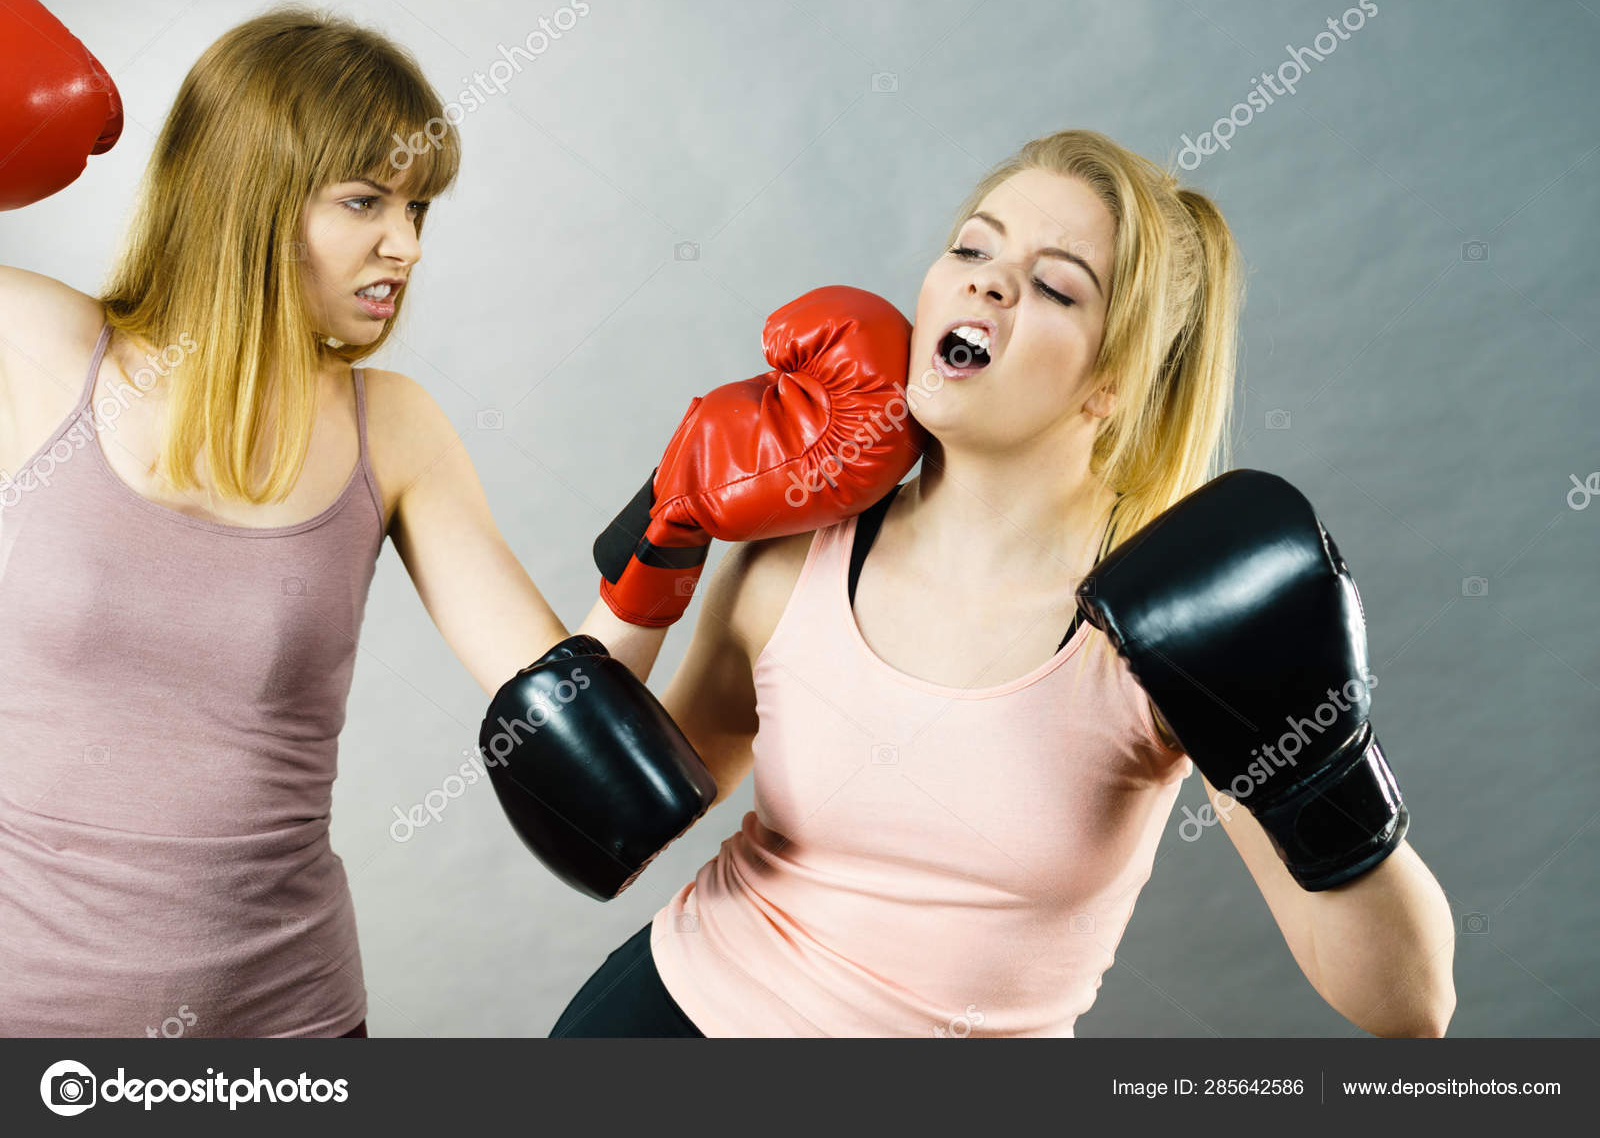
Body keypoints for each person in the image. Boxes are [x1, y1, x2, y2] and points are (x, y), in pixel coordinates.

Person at [0, 0, 917, 1038]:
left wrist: (670, 525)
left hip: (288, 1021)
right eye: (365, 202)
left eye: (419, 209)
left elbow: (565, 722)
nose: (406, 246)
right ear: (246, 191)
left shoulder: (390, 428)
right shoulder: (36, 349)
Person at [546, 129, 1458, 1038]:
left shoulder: (1169, 623)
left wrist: (1322, 759)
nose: (987, 282)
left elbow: (1408, 1005)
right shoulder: (801, 557)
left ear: (1113, 382)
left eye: (1057, 285)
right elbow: (601, 818)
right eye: (971, 249)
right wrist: (662, 530)